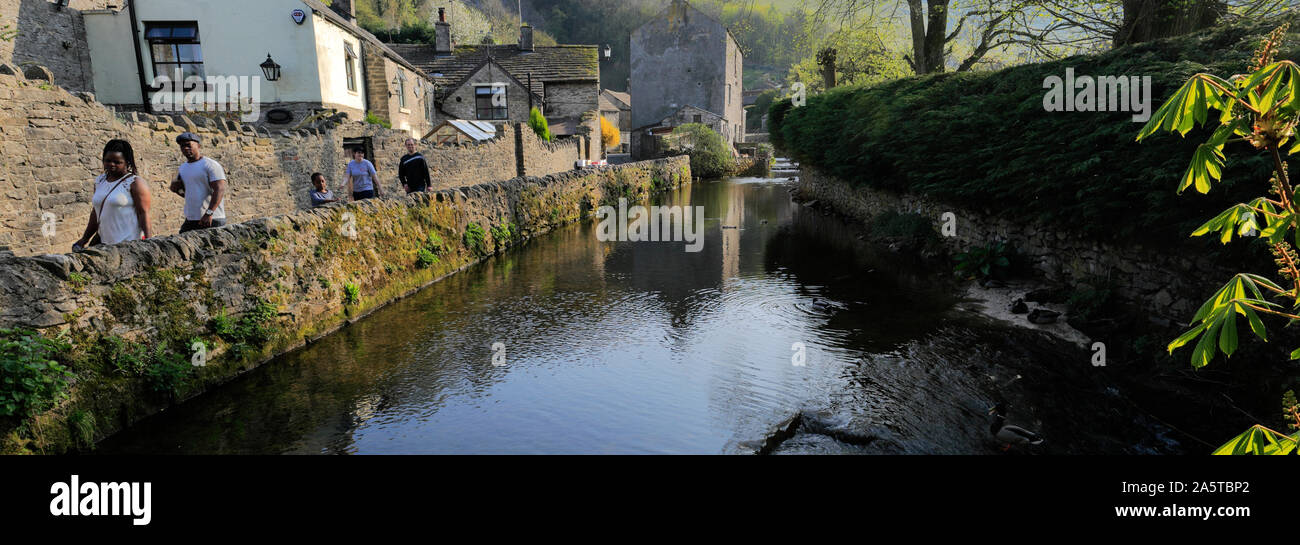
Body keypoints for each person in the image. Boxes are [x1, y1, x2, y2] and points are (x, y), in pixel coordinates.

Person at [73, 139, 153, 250]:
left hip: (128, 244)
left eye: (117, 162)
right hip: (104, 244)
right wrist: (84, 239)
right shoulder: (100, 181)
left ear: (127, 162)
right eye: (108, 160)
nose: (111, 164)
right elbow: (96, 212)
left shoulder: (135, 183)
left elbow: (143, 214)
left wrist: (149, 243)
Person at [168, 132, 228, 233]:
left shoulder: (210, 165)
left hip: (212, 218)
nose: (185, 148)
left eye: (188, 145)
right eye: (182, 146)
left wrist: (209, 213)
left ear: (198, 146)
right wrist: (176, 190)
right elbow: (190, 193)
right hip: (191, 219)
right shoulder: (182, 168)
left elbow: (219, 189)